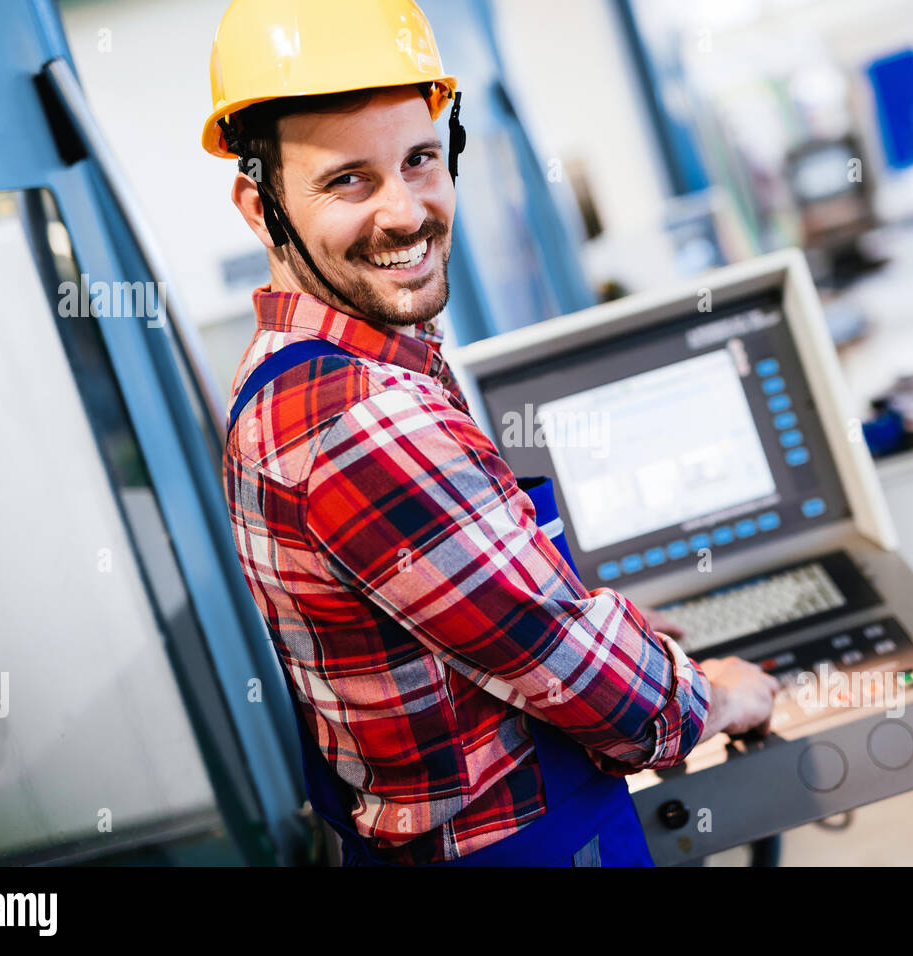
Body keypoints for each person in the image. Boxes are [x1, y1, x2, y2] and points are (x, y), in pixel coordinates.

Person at [204, 0, 776, 865]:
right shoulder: (358, 414)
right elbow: (606, 693)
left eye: (420, 160)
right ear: (260, 206)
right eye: (348, 180)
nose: (406, 213)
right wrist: (714, 696)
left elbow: (492, 617)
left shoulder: (313, 364)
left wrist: (597, 622)